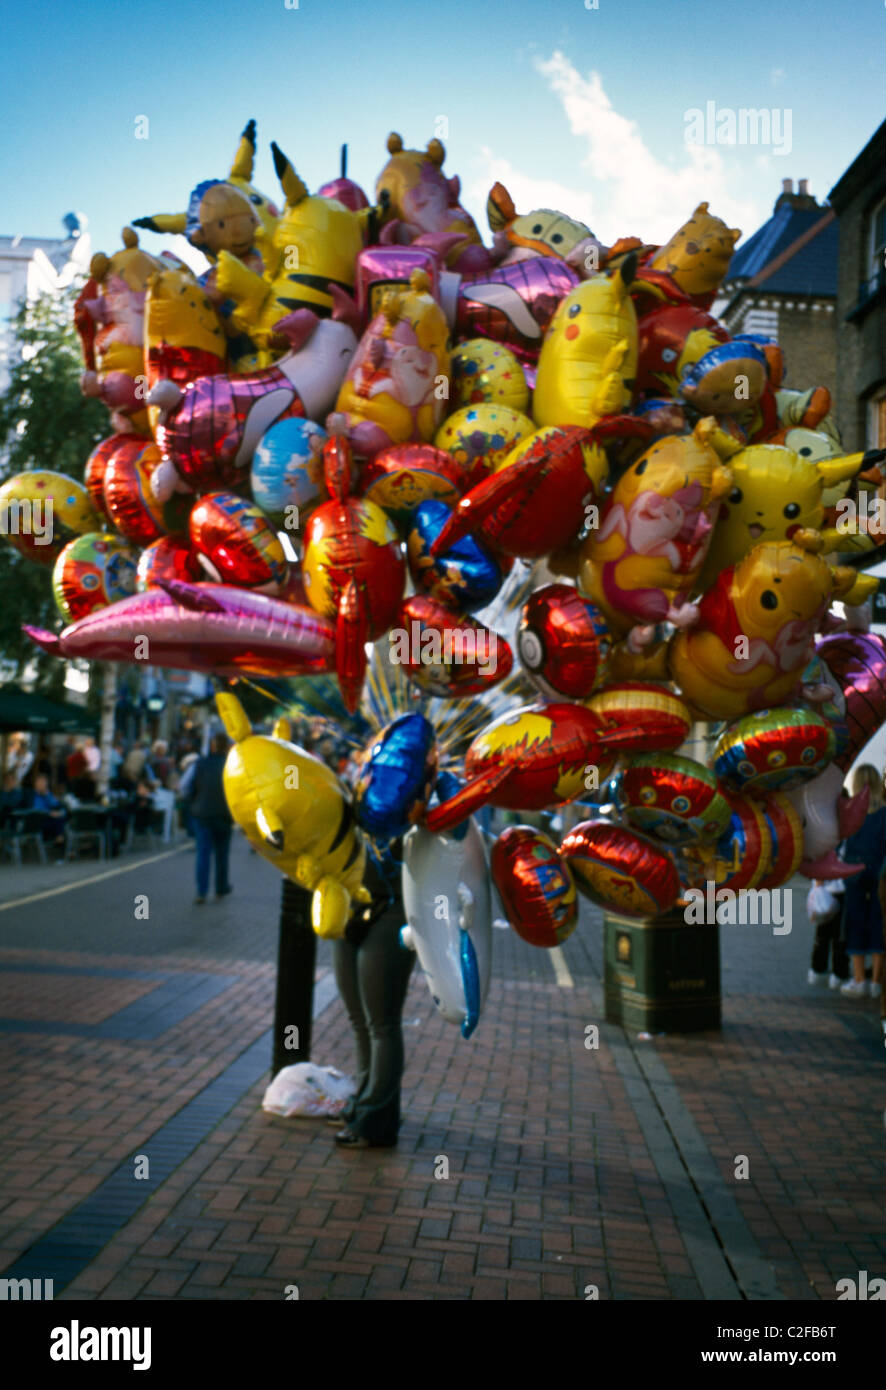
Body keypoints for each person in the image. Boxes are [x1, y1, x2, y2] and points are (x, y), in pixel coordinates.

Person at [331, 841, 414, 1150]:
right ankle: (364, 1101)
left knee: (382, 1022)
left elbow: (453, 827)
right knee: (359, 1017)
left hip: (396, 902)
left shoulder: (430, 790)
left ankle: (375, 1120)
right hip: (349, 896)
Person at [839, 764, 885, 1000]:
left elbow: (840, 841)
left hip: (853, 872)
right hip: (880, 874)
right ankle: (876, 982)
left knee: (855, 922)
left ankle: (859, 980)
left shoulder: (850, 810)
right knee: (878, 924)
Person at [182, 734, 233, 904]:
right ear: (226, 747)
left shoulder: (199, 764)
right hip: (224, 815)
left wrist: (193, 801)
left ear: (211, 746)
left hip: (202, 814)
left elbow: (184, 787)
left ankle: (201, 891)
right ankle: (221, 887)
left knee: (203, 853)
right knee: (222, 854)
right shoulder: (231, 765)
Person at [808, 878, 849, 990]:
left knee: (822, 932)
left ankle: (818, 969)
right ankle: (838, 973)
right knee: (839, 934)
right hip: (839, 889)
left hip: (824, 889)